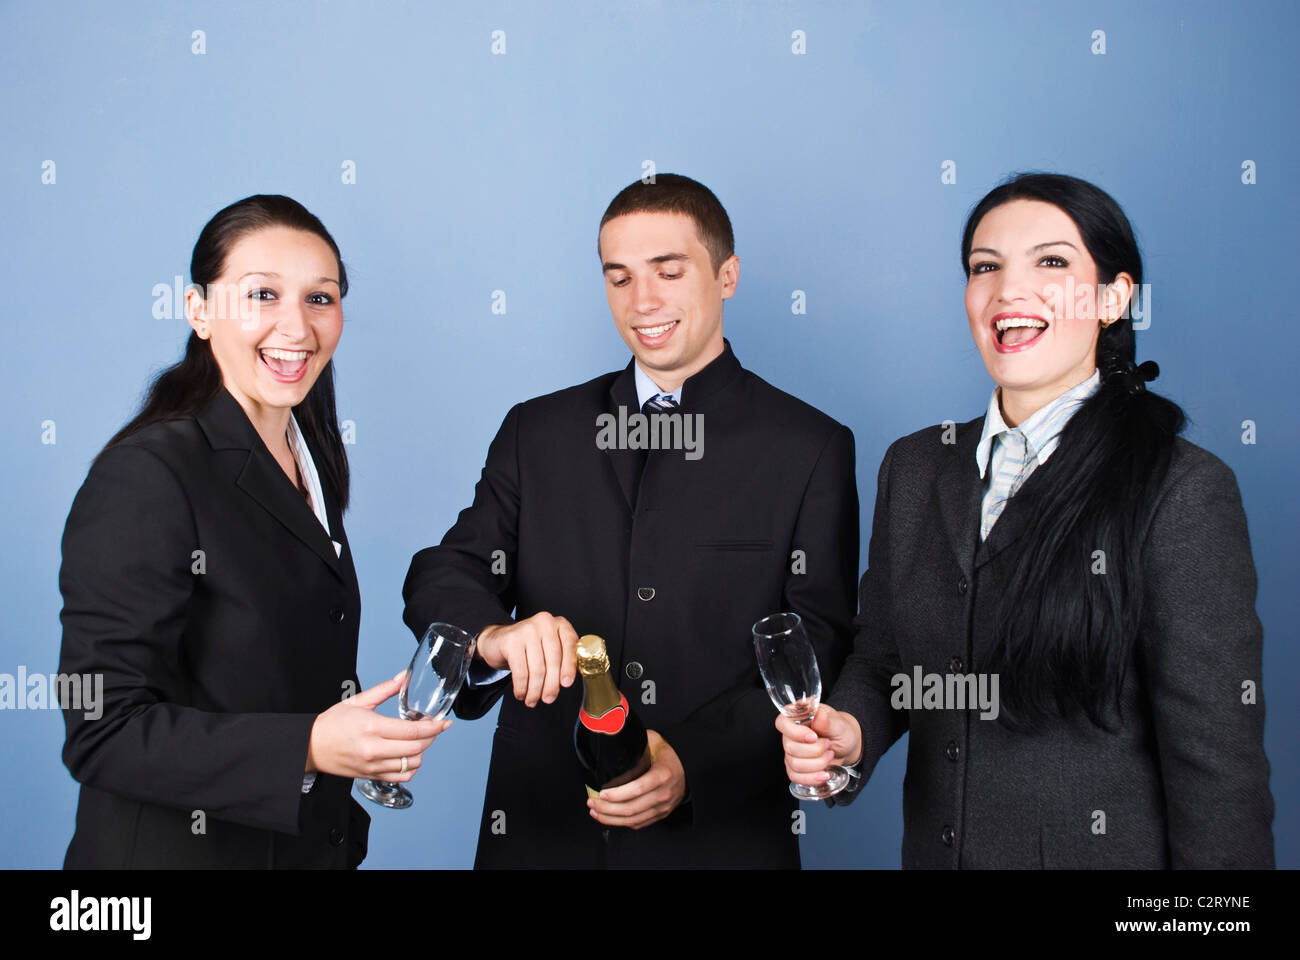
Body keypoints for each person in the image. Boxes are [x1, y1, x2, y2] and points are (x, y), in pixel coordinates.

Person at [778, 172, 1275, 868]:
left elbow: (1218, 773)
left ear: (1112, 298)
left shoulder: (1182, 489)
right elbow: (887, 657)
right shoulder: (917, 465)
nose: (1009, 290)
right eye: (986, 267)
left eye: (1051, 262)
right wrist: (850, 730)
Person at [403, 174, 859, 868]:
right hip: (539, 836)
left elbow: (819, 639)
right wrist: (494, 636)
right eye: (619, 278)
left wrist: (693, 761)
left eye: (668, 272)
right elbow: (448, 569)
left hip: (721, 842)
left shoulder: (811, 446)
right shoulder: (538, 431)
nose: (642, 302)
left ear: (727, 275)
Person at [58, 195, 449, 868]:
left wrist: (345, 749)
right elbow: (102, 729)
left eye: (319, 299)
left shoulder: (308, 452)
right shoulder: (148, 475)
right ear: (200, 311)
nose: (296, 326)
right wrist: (309, 747)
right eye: (262, 294)